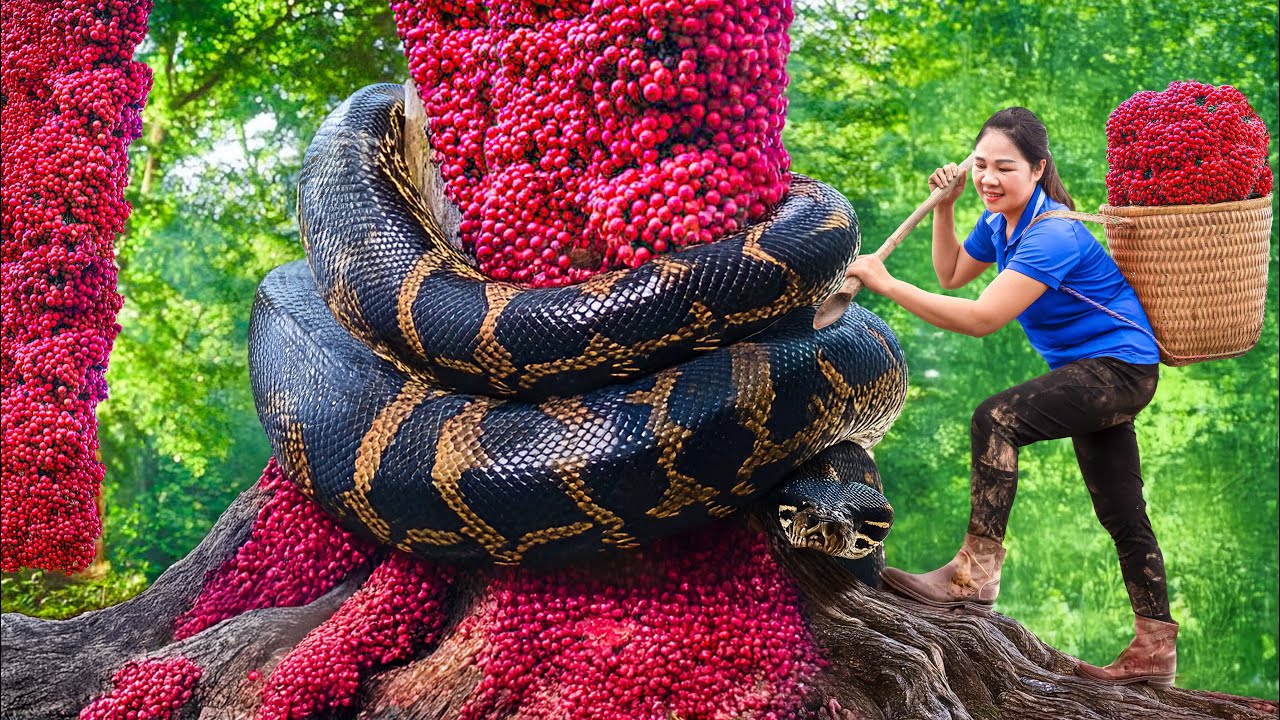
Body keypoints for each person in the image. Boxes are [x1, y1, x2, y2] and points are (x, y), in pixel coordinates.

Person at [845, 107, 1177, 689]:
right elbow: (952, 273)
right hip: (1091, 372)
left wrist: (886, 283)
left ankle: (973, 575)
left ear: (1038, 169)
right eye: (980, 165)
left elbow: (981, 319)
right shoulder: (1000, 224)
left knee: (995, 419)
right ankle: (1155, 649)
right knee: (1123, 511)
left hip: (1119, 368)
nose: (988, 178)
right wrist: (945, 207)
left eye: (1005, 167)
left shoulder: (1053, 234)